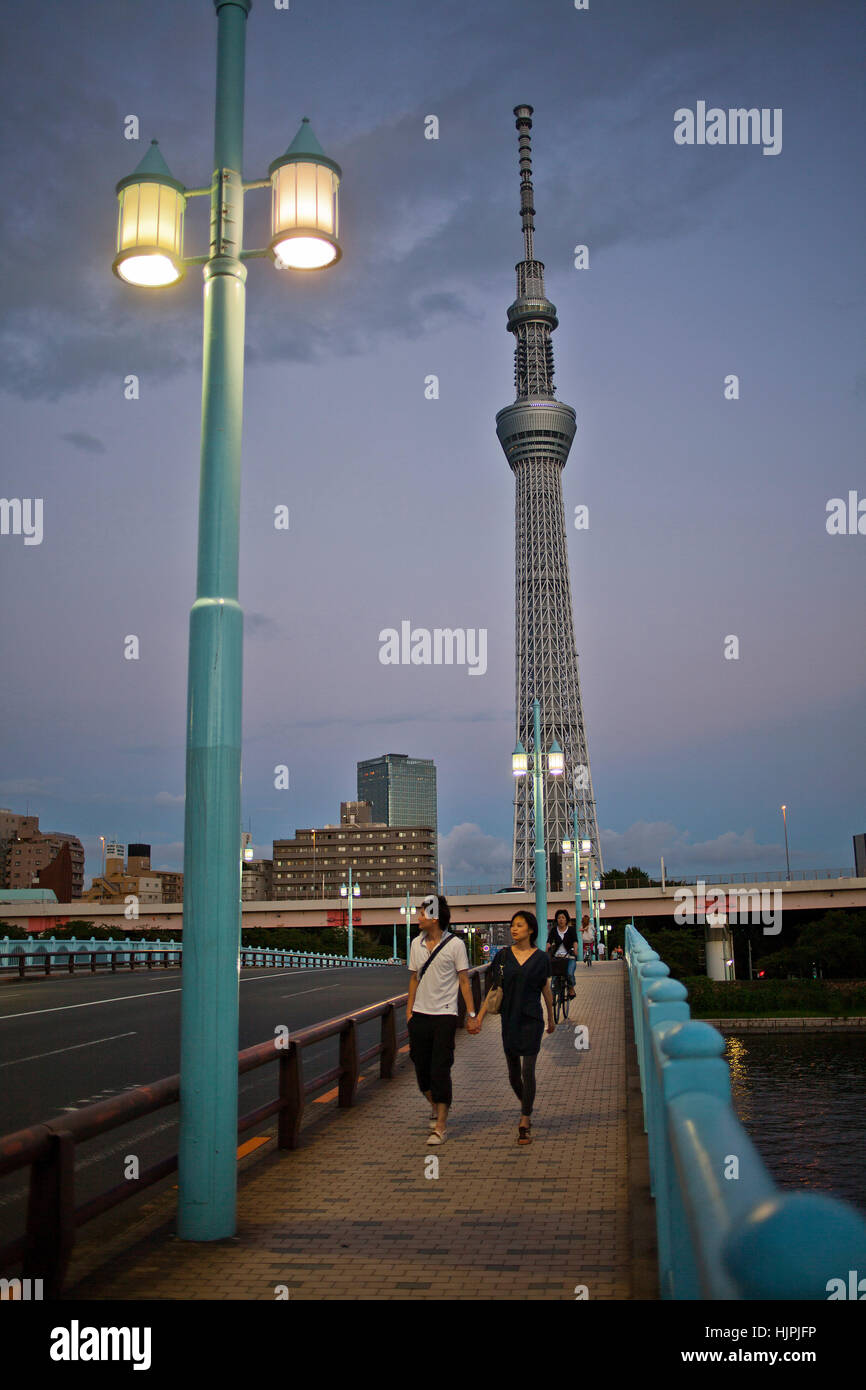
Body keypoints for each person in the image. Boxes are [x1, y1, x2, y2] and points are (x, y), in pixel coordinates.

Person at [468, 910, 553, 1145]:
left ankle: (525, 1119)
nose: (514, 929)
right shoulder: (503, 957)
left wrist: (552, 1018)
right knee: (514, 1074)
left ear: (531, 930)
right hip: (510, 1019)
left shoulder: (541, 958)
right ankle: (527, 1103)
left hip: (532, 1019)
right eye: (512, 925)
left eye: (519, 925)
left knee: (528, 1070)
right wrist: (479, 1018)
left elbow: (546, 990)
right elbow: (493, 990)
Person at [406, 893, 475, 1145]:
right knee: (421, 1069)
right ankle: (434, 1104)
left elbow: (464, 981)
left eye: (423, 913)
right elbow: (414, 978)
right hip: (420, 1015)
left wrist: (471, 1015)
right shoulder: (416, 944)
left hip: (445, 1014)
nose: (419, 917)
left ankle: (441, 1126)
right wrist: (409, 1011)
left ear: (435, 918)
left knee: (440, 1069)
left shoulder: (456, 945)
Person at [547, 907, 579, 998]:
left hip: (569, 956)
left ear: (566, 919)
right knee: (554, 977)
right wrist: (547, 950)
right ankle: (553, 996)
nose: (561, 920)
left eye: (563, 918)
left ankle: (571, 988)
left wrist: (575, 950)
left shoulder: (571, 930)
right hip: (557, 957)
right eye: (559, 918)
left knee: (569, 974)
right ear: (556, 920)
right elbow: (549, 941)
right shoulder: (554, 930)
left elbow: (575, 941)